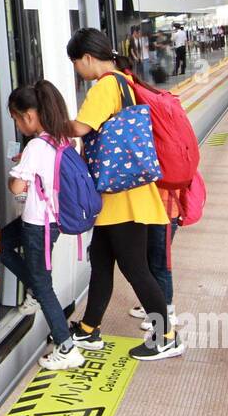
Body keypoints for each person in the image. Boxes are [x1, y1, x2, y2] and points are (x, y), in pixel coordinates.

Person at [64, 27, 182, 361]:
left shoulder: (105, 86)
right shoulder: (125, 81)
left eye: (76, 64)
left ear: (87, 59)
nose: (78, 72)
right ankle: (88, 330)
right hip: (122, 195)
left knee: (135, 268)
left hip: (124, 198)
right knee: (101, 262)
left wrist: (46, 120)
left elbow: (80, 128)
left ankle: (166, 337)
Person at [1, 81, 86, 370]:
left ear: (27, 116)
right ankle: (36, 289)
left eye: (15, 118)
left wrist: (18, 178)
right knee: (2, 243)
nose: (17, 124)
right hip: (53, 221)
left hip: (38, 225)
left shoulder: (36, 146)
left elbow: (16, 188)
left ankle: (66, 347)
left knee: (43, 284)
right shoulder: (58, 137)